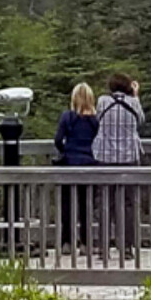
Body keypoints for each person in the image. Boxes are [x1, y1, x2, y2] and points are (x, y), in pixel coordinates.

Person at [93, 74, 145, 258]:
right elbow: (140, 121)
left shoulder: (102, 101)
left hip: (105, 157)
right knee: (128, 204)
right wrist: (136, 95)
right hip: (129, 157)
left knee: (105, 202)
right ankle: (127, 247)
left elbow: (96, 119)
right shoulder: (134, 103)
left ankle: (103, 247)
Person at [54, 83, 100, 252]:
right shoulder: (95, 120)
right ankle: (86, 243)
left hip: (69, 164)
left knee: (67, 205)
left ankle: (66, 242)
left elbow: (58, 139)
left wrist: (65, 150)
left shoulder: (68, 117)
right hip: (89, 164)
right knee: (86, 205)